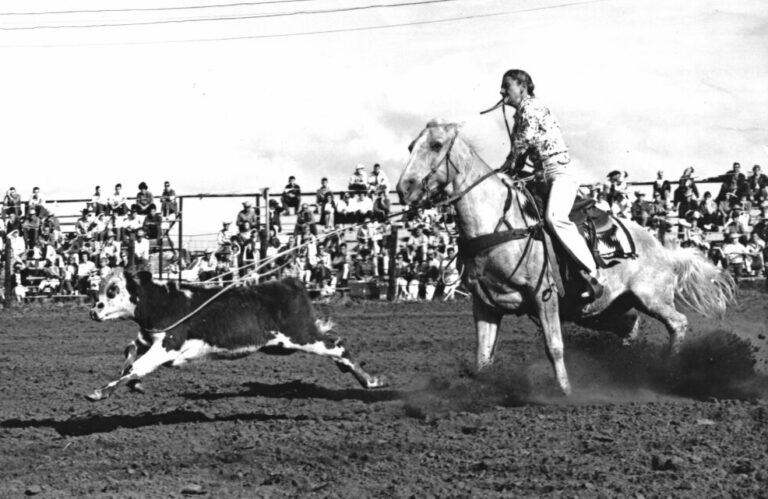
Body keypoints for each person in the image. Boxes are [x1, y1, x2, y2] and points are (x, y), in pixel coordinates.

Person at [496, 69, 603, 298]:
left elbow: (524, 142)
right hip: (541, 175)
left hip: (559, 173)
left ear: (522, 86)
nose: (502, 91)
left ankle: (592, 273)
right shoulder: (521, 114)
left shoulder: (531, 107)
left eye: (507, 86)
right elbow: (519, 154)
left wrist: (506, 167)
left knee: (556, 218)